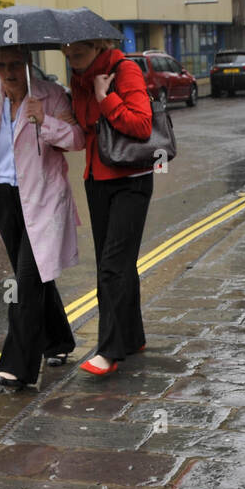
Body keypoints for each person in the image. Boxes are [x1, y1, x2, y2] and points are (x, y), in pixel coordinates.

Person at [0, 46, 85, 388]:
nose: (9, 72)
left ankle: (18, 367)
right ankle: (59, 341)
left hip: (44, 198)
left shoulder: (50, 96)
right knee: (34, 277)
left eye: (16, 64)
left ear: (28, 63)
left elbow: (77, 139)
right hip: (5, 198)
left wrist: (44, 121)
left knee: (24, 281)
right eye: (1, 65)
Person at [62, 38, 154, 378]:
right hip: (97, 178)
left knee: (113, 266)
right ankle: (132, 337)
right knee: (114, 263)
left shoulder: (124, 71)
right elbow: (84, 128)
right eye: (68, 56)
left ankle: (110, 350)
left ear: (99, 47)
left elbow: (141, 125)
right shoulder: (78, 79)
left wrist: (105, 97)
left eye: (80, 54)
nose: (74, 61)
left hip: (131, 178)